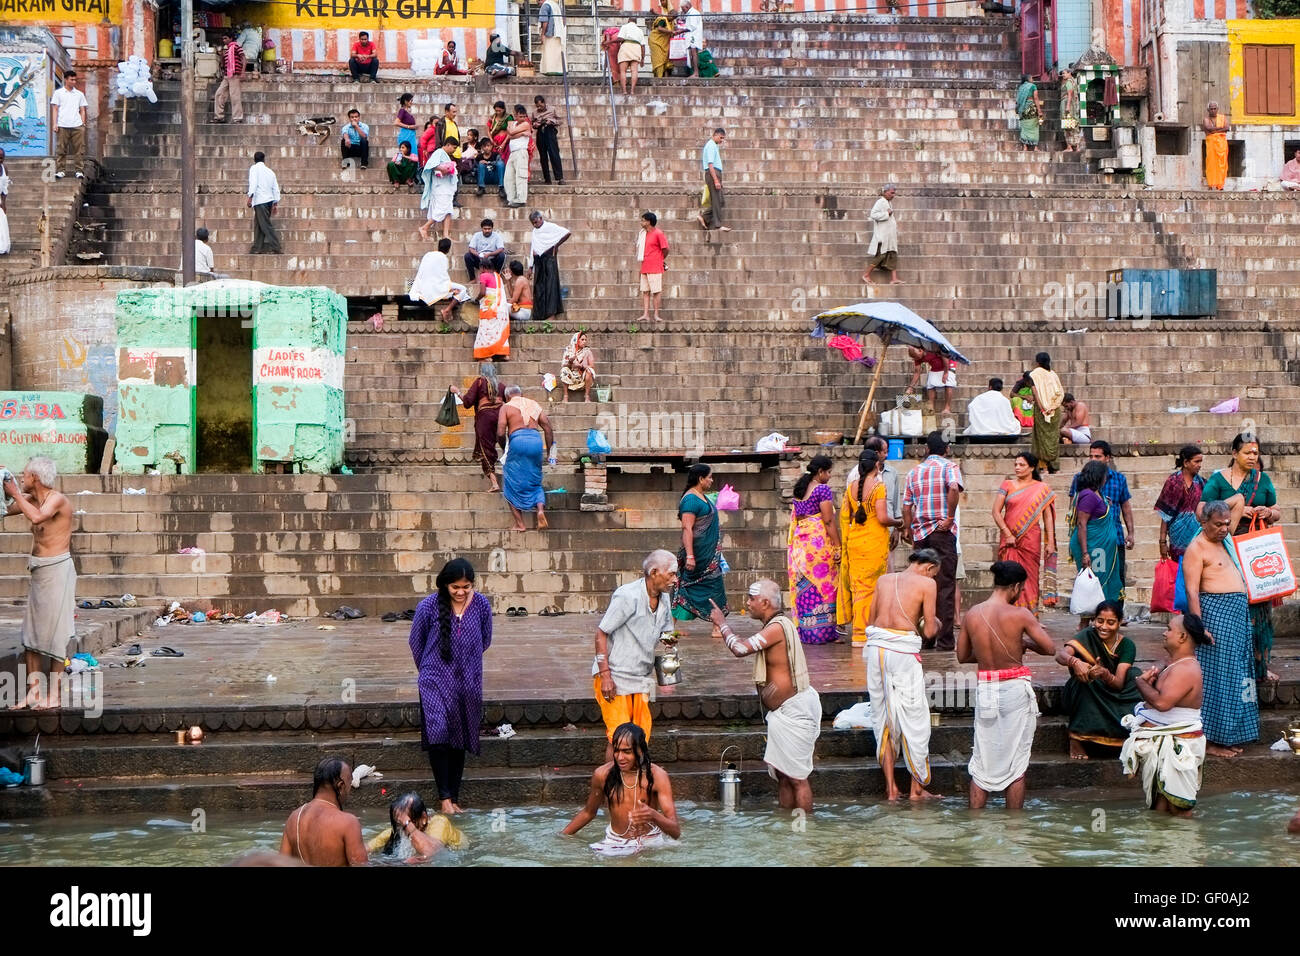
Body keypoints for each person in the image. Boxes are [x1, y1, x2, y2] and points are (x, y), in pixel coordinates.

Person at [711, 580, 821, 812]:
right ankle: (786, 828)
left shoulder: (777, 628)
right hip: (783, 713)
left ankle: (805, 830)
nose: (748, 603)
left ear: (765, 602)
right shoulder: (775, 626)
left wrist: (722, 624)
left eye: (751, 599)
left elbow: (740, 649)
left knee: (797, 777)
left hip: (795, 710)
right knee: (782, 773)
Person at [958, 560, 1056, 809]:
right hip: (1013, 687)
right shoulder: (1020, 615)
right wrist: (1023, 643)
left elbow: (962, 656)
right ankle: (1015, 828)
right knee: (1016, 761)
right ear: (1015, 586)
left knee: (982, 758)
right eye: (1021, 589)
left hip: (986, 687)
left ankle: (976, 823)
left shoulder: (971, 614)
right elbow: (1049, 648)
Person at [409, 557, 493, 813]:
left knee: (459, 736)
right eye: (455, 587)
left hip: (467, 681)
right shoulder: (428, 607)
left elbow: (486, 639)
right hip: (434, 679)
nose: (460, 592)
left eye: (466, 586)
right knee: (438, 733)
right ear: (445, 584)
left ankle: (454, 798)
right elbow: (416, 643)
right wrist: (428, 671)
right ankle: (444, 797)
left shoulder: (481, 605)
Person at [1196, 432, 1281, 682]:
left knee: (1260, 608)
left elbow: (1277, 510)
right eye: (1247, 452)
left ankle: (1260, 667)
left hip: (1256, 550)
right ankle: (1233, 666)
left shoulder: (1262, 479)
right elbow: (1202, 509)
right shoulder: (1219, 480)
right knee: (1235, 605)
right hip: (1228, 548)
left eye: (1255, 453)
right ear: (1234, 454)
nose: (1253, 457)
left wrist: (1268, 512)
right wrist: (1233, 510)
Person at [862, 550, 942, 800]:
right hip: (902, 654)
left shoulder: (883, 580)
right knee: (914, 717)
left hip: (876, 652)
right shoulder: (928, 583)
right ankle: (916, 790)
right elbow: (929, 631)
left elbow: (871, 620)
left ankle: (891, 789)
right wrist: (936, 623)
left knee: (883, 716)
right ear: (929, 568)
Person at [1182, 500, 1257, 757]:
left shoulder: (1226, 540)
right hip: (1215, 615)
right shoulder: (1196, 548)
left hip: (1237, 616)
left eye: (1227, 524)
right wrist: (1200, 627)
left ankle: (1231, 734)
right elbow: (1192, 591)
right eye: (1218, 524)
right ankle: (1211, 741)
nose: (1225, 528)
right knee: (1217, 677)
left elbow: (1238, 499)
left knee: (1237, 674)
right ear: (1203, 522)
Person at [1120, 614, 1208, 815]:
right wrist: (1149, 688)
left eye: (1169, 629)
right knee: (1160, 807)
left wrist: (1140, 683)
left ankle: (1187, 845)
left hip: (1177, 745)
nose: (1164, 633)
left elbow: (1162, 703)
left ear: (1182, 637)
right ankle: (1162, 845)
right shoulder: (1175, 665)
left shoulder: (1186, 668)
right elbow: (1160, 699)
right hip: (1164, 744)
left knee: (1179, 809)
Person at [3, 458, 74, 710]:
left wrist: (15, 493)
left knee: (56, 635)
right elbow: (4, 509)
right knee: (30, 634)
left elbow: (37, 518)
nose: (21, 479)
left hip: (58, 571)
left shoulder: (57, 499)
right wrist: (4, 485)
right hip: (39, 570)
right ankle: (34, 692)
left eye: (24, 475)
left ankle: (53, 694)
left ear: (35, 477)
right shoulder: (30, 500)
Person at [592, 551, 678, 758]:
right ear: (654, 572)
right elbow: (601, 633)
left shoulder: (665, 598)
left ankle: (634, 785)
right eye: (672, 574)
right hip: (614, 675)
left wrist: (670, 666)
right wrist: (605, 676)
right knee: (620, 739)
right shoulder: (627, 595)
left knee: (640, 737)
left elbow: (666, 636)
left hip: (640, 677)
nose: (675, 580)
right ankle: (613, 786)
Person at [563, 722, 680, 854]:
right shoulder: (602, 774)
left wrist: (653, 815)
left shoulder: (657, 776)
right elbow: (588, 813)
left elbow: (675, 832)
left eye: (627, 751)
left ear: (640, 750)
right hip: (614, 842)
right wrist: (562, 837)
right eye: (616, 750)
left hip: (651, 842)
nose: (620, 757)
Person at [901, 431, 963, 651]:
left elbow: (906, 506)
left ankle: (925, 639)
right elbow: (954, 488)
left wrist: (909, 529)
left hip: (921, 534)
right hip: (942, 532)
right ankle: (945, 641)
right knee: (945, 586)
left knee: (920, 585)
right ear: (946, 449)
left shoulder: (914, 472)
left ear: (927, 449)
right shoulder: (950, 467)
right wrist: (949, 516)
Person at [1056, 600, 1141, 758]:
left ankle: (1127, 733)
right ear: (1094, 620)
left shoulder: (1127, 645)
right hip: (1087, 687)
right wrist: (1075, 662)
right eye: (1100, 621)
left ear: (1120, 622)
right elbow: (1061, 655)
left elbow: (1118, 684)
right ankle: (1076, 738)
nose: (1104, 627)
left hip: (1112, 688)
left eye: (1111, 622)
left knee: (1136, 677)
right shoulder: (1087, 634)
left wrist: (1104, 673)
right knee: (1086, 682)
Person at [838, 448, 902, 644]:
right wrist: (899, 523)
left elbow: (844, 517)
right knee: (872, 589)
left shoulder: (851, 487)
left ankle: (858, 633)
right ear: (876, 465)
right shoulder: (878, 487)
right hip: (873, 545)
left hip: (855, 544)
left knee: (859, 589)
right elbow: (882, 518)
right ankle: (867, 632)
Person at [1069, 441, 1134, 616]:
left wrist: (1131, 532)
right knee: (1098, 579)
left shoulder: (1118, 480)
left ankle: (1114, 616)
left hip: (1113, 540)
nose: (1093, 459)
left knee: (1115, 577)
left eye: (1097, 456)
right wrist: (1085, 552)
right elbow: (1079, 520)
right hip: (1095, 545)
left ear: (1107, 458)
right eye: (1091, 456)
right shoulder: (1086, 490)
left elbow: (1126, 507)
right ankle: (1094, 617)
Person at [993, 450, 1056, 615]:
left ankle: (1030, 615)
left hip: (1030, 539)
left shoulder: (1042, 488)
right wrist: (1007, 534)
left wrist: (1051, 543)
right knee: (1008, 576)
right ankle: (1008, 613)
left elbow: (1048, 517)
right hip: (1009, 540)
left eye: (1021, 465)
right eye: (1015, 464)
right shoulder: (1007, 484)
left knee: (1029, 576)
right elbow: (996, 512)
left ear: (1031, 468)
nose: (1017, 468)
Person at [786, 455, 841, 645]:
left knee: (805, 586)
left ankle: (807, 632)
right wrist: (837, 545)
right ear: (820, 472)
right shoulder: (822, 489)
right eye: (828, 472)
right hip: (818, 545)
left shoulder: (800, 488)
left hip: (800, 546)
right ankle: (823, 633)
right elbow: (827, 520)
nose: (830, 476)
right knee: (824, 586)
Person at [279, 757, 367, 865]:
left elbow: (281, 863)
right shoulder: (348, 822)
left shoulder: (294, 818)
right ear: (341, 786)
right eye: (350, 784)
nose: (350, 791)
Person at [674, 463, 728, 638]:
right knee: (684, 588)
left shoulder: (702, 496)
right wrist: (690, 555)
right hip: (696, 554)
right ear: (700, 479)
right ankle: (668, 627)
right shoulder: (690, 500)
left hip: (709, 553)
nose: (712, 480)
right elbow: (687, 529)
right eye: (710, 477)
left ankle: (716, 626)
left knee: (714, 585)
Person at [498, 386, 556, 531]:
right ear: (521, 394)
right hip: (536, 441)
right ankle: (540, 510)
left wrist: (505, 447)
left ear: (507, 396)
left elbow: (500, 432)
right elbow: (548, 427)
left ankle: (520, 524)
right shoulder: (533, 404)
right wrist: (550, 453)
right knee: (535, 481)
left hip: (517, 441)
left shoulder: (506, 407)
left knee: (510, 481)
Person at [451, 362, 506, 491]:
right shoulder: (501, 385)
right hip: (501, 418)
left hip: (485, 419)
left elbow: (467, 402)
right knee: (505, 446)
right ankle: (510, 472)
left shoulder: (479, 382)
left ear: (483, 373)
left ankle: (494, 483)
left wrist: (457, 392)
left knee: (485, 449)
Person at [367, 792, 465, 861]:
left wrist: (407, 824)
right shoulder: (399, 830)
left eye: (409, 820)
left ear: (424, 818)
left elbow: (432, 852)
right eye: (399, 822)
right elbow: (365, 850)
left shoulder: (440, 822)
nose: (402, 829)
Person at [1155, 444, 1205, 562]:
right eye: (1196, 462)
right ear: (1186, 463)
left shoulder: (1202, 483)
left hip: (1197, 536)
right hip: (1177, 537)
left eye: (1200, 462)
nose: (1199, 465)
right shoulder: (1173, 482)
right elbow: (1165, 514)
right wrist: (1162, 542)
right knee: (1180, 573)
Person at [409, 238, 469, 320]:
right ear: (448, 249)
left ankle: (446, 308)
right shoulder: (443, 258)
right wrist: (450, 290)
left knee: (453, 289)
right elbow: (443, 277)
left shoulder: (428, 254)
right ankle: (447, 310)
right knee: (463, 289)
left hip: (421, 285)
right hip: (437, 285)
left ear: (438, 246)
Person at [529, 211, 570, 321]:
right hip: (538, 261)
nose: (535, 225)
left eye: (536, 222)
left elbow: (567, 233)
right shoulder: (534, 231)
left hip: (549, 259)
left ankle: (551, 315)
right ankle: (539, 315)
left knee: (550, 287)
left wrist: (556, 245)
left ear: (541, 218)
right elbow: (533, 246)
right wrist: (530, 266)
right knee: (539, 288)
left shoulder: (550, 227)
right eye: (533, 223)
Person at [1027, 352, 1063, 473]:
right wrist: (1052, 407)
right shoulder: (1053, 374)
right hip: (1055, 410)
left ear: (1037, 362)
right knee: (1053, 437)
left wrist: (1043, 408)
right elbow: (1060, 393)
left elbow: (1035, 393)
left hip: (1042, 410)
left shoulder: (1034, 374)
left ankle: (1043, 466)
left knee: (1041, 438)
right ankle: (1054, 466)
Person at [418, 136, 459, 241]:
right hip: (440, 188)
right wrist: (443, 168)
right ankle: (424, 227)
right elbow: (430, 165)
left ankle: (446, 235)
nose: (454, 150)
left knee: (448, 210)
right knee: (441, 210)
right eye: (454, 147)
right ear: (448, 145)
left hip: (446, 187)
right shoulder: (439, 152)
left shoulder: (445, 155)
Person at [50, 71, 88, 179]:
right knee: (61, 149)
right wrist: (54, 124)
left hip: (77, 125)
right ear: (66, 79)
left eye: (75, 79)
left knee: (79, 149)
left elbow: (82, 110)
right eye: (71, 79)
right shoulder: (58, 93)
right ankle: (61, 170)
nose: (74, 82)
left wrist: (83, 123)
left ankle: (79, 170)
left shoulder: (79, 94)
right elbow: (55, 109)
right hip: (62, 124)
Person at [863, 184, 901, 285]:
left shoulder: (888, 202)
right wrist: (886, 214)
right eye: (891, 193)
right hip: (883, 236)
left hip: (890, 236)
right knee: (880, 255)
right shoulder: (880, 202)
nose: (893, 195)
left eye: (894, 193)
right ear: (885, 192)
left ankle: (894, 278)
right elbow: (873, 214)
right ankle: (866, 275)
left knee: (893, 255)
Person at [636, 211, 669, 322]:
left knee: (656, 291)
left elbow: (665, 249)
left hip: (655, 267)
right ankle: (646, 314)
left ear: (649, 222)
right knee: (645, 291)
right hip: (644, 265)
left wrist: (660, 259)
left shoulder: (658, 233)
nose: (641, 222)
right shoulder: (643, 233)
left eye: (643, 220)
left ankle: (656, 314)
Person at [246, 150, 281, 254]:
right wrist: (275, 203)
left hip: (260, 200)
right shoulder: (270, 172)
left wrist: (250, 197)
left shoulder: (254, 169)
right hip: (269, 201)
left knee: (265, 224)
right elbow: (275, 188)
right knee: (258, 224)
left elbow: (253, 183)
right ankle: (257, 247)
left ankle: (276, 246)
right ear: (264, 159)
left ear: (254, 160)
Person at [473, 266, 511, 361]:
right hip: (502, 310)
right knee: (499, 330)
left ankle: (486, 355)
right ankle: (503, 354)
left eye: (480, 269)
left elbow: (482, 292)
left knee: (486, 330)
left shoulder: (484, 275)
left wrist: (476, 299)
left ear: (483, 267)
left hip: (490, 309)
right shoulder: (498, 277)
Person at [699, 128, 730, 232]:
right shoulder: (711, 145)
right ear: (715, 135)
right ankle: (718, 225)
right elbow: (710, 164)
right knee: (717, 200)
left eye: (723, 138)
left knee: (720, 201)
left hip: (715, 173)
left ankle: (704, 217)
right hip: (713, 174)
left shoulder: (714, 145)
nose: (722, 140)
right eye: (721, 138)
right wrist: (716, 180)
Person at [532, 96, 565, 185]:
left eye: (540, 105)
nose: (539, 108)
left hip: (550, 131)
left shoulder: (552, 109)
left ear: (544, 102)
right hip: (540, 133)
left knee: (554, 154)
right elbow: (533, 124)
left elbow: (560, 121)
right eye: (537, 106)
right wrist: (536, 124)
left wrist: (551, 121)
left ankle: (560, 178)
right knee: (543, 157)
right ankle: (547, 179)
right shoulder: (534, 113)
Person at [504, 105, 532, 208]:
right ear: (515, 115)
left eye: (524, 116)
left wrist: (514, 133)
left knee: (521, 176)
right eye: (520, 116)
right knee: (509, 177)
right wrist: (521, 134)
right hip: (513, 153)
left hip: (521, 152)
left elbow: (511, 133)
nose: (522, 118)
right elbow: (510, 135)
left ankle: (521, 199)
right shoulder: (512, 123)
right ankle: (511, 199)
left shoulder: (526, 124)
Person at [213, 33, 246, 125]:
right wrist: (221, 55)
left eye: (226, 38)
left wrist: (243, 72)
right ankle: (219, 117)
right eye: (223, 38)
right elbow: (224, 64)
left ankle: (237, 118)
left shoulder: (236, 46)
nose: (224, 40)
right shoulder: (227, 50)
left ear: (231, 38)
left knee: (235, 96)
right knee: (219, 94)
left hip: (235, 75)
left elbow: (243, 58)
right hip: (227, 75)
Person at [650, 2, 684, 78]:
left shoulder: (670, 22)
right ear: (669, 14)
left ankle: (664, 77)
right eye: (672, 17)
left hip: (664, 43)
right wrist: (672, 31)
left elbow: (671, 32)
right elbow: (660, 28)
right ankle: (659, 78)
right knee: (658, 59)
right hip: (656, 41)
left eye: (674, 18)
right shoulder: (663, 19)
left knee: (665, 59)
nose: (672, 19)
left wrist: (678, 32)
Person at [1202, 102, 1231, 190]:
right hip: (1211, 144)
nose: (1213, 110)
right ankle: (1211, 184)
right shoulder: (1206, 119)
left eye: (1215, 108)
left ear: (1217, 109)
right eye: (1211, 109)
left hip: (1222, 144)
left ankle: (1220, 185)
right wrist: (1220, 129)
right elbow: (1208, 128)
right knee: (1211, 164)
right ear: (1208, 110)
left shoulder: (1223, 118)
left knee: (1222, 164)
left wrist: (1214, 130)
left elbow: (1227, 128)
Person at [559, 331, 595, 402]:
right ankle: (565, 396)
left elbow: (592, 365)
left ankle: (587, 396)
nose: (584, 342)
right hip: (571, 377)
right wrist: (570, 362)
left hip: (582, 376)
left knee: (589, 371)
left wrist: (581, 366)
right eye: (582, 339)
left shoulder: (587, 351)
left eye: (585, 340)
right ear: (576, 340)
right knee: (564, 370)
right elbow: (563, 364)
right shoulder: (569, 350)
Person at [616, 17, 648, 94]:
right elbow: (643, 46)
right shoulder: (639, 30)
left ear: (628, 21)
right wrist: (643, 58)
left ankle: (624, 91)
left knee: (623, 71)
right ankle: (632, 91)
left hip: (626, 47)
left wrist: (610, 42)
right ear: (635, 22)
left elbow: (620, 39)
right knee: (634, 71)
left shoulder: (624, 27)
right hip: (636, 48)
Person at [539, 0, 568, 75]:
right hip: (559, 32)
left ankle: (549, 70)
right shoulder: (555, 4)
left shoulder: (545, 6)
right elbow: (563, 20)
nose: (538, 4)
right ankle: (560, 70)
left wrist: (543, 34)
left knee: (549, 52)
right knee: (557, 52)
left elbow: (545, 21)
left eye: (538, 2)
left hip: (550, 33)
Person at [1015, 73, 1043, 151]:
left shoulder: (1021, 87)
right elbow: (1036, 98)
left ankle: (1025, 147)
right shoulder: (1033, 86)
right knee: (1034, 126)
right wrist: (1039, 110)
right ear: (1029, 79)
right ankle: (1035, 147)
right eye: (1032, 78)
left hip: (1022, 109)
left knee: (1024, 127)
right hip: (1031, 108)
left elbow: (1017, 100)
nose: (1033, 80)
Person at [1059, 68, 1081, 151]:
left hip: (1067, 104)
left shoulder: (1069, 82)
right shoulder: (1073, 81)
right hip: (1073, 105)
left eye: (1064, 73)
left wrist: (1067, 106)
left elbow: (1070, 93)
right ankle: (1077, 146)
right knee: (1074, 124)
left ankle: (1069, 147)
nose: (1063, 75)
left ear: (1069, 73)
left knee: (1067, 124)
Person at [682, 0, 705, 75]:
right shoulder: (690, 13)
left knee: (694, 53)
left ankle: (696, 73)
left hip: (694, 36)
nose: (683, 11)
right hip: (692, 36)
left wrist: (679, 31)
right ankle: (694, 73)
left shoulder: (693, 13)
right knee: (692, 54)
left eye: (683, 9)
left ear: (687, 7)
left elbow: (692, 27)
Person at [394, 93, 419, 159]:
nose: (411, 102)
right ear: (405, 101)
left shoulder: (407, 111)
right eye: (410, 100)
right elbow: (396, 122)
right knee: (405, 153)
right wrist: (409, 127)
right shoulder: (402, 111)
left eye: (412, 101)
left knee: (412, 154)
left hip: (411, 135)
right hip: (406, 135)